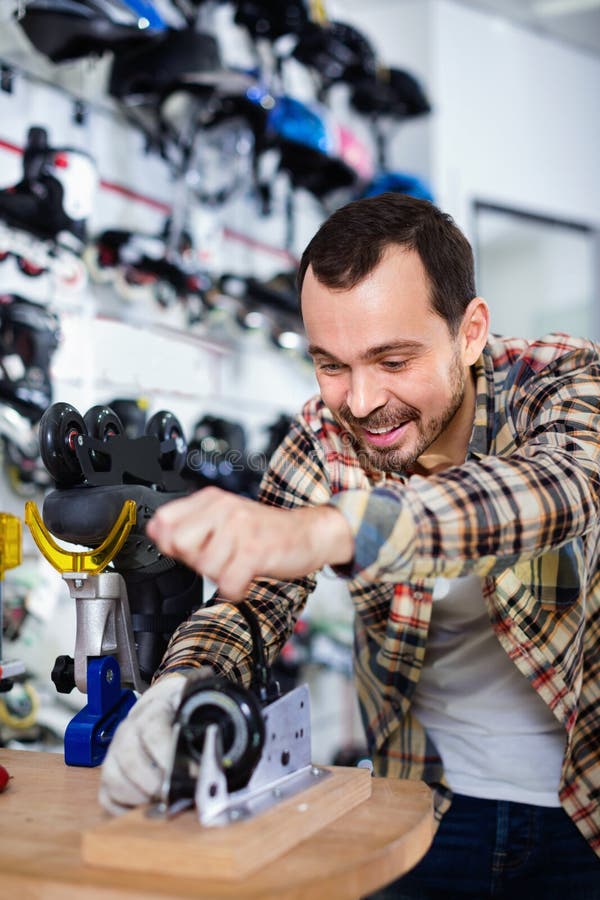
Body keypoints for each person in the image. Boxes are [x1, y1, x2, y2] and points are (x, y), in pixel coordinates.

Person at [99, 193, 600, 898]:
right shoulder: (324, 434)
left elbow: (561, 487)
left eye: (393, 360)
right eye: (331, 364)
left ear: (471, 332)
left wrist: (329, 529)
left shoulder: (560, 381)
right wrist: (184, 687)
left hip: (584, 811)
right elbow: (255, 601)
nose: (362, 402)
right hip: (420, 805)